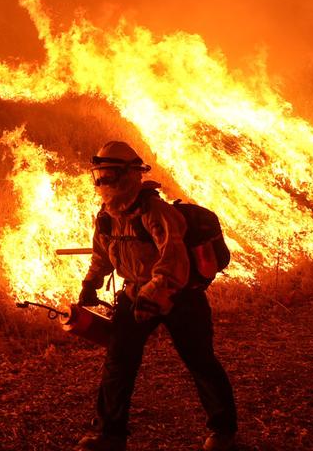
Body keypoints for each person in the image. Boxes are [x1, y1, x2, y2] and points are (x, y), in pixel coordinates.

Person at [75, 141, 238, 451]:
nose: (102, 183)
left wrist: (153, 295)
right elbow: (102, 254)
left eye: (108, 175)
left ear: (128, 175)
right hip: (136, 293)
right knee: (119, 362)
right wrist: (91, 282)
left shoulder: (156, 212)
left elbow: (174, 260)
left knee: (200, 361)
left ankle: (223, 430)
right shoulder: (108, 215)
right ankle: (110, 435)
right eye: (100, 175)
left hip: (180, 297)